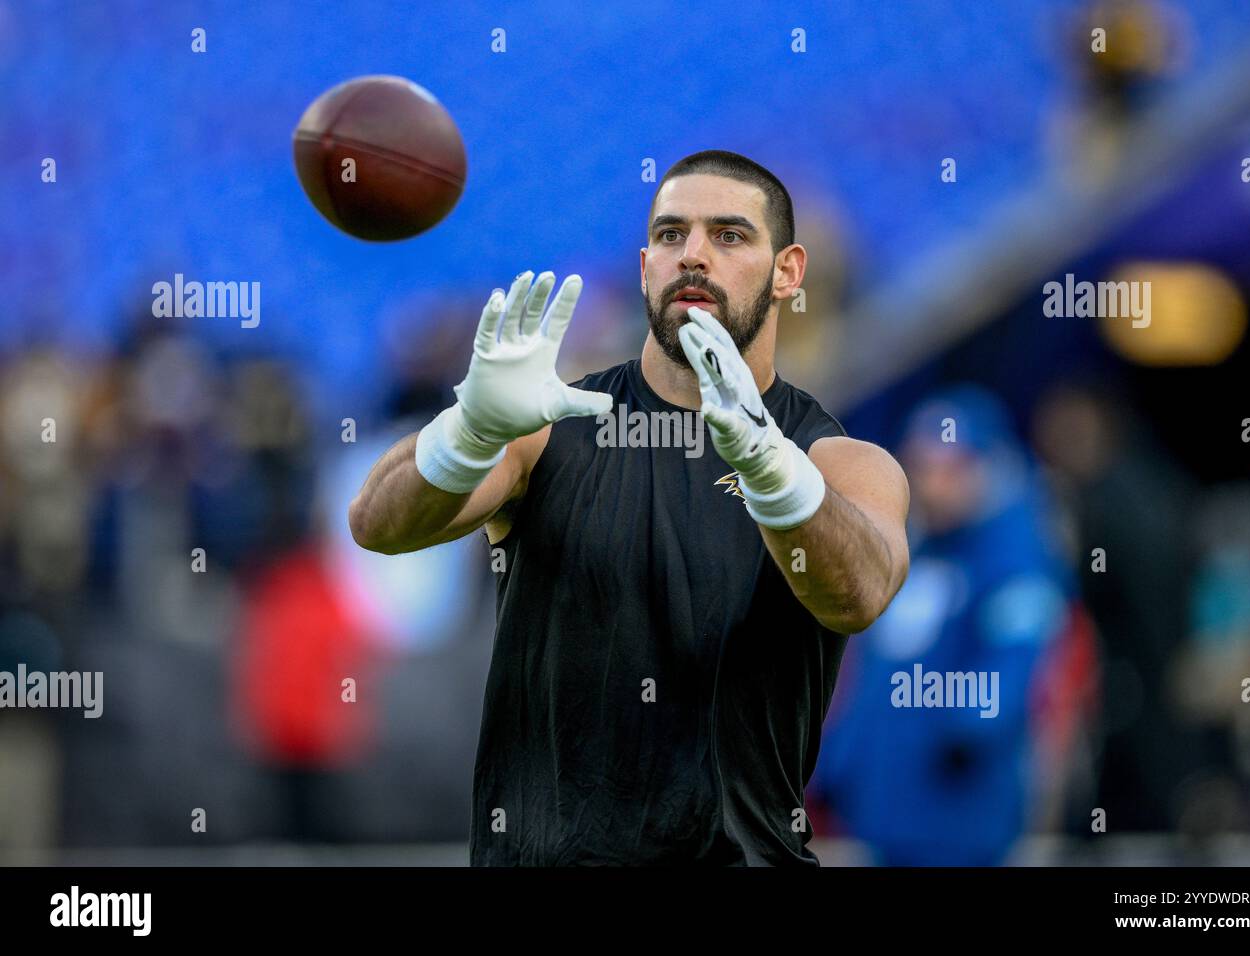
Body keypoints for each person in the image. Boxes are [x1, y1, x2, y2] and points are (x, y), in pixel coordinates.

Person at [348, 150, 910, 866]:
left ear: (788, 272)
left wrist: (771, 470)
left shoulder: (839, 462)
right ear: (647, 265)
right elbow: (377, 525)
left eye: (730, 235)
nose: (694, 255)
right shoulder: (549, 431)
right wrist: (466, 431)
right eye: (672, 235)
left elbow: (858, 593)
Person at [814, 386, 1071, 865]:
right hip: (883, 813)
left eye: (949, 469)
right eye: (922, 468)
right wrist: (837, 762)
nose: (933, 485)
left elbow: (1013, 667)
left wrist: (968, 729)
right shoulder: (907, 551)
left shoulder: (1014, 561)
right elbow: (874, 677)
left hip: (965, 818)